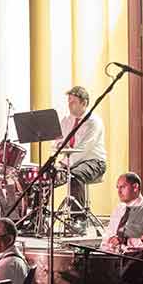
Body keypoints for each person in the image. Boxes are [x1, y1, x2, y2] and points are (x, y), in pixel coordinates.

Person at [58, 86, 107, 218]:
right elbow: (58, 142)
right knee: (43, 176)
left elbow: (84, 149)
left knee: (75, 175)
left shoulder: (93, 122)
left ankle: (78, 219)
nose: (69, 105)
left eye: (73, 102)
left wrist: (64, 164)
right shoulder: (66, 120)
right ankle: (36, 220)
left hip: (94, 162)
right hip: (69, 161)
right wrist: (60, 147)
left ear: (84, 103)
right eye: (68, 101)